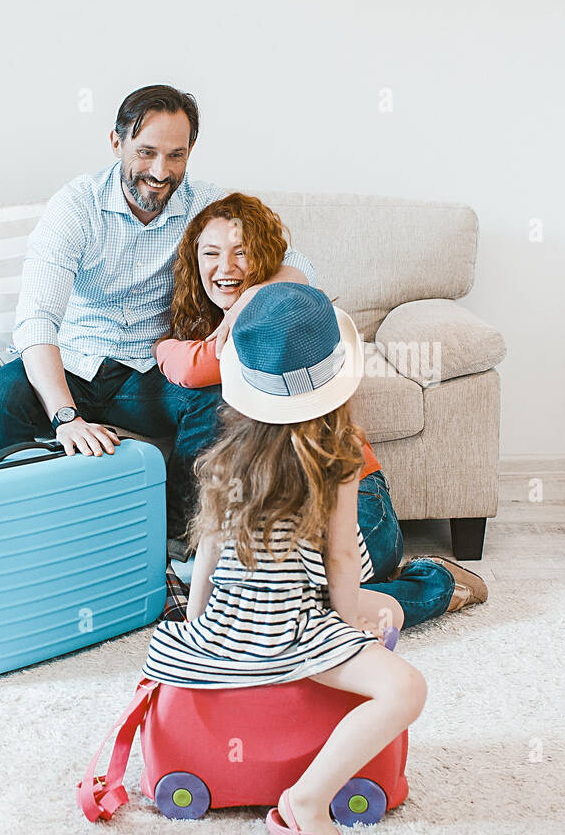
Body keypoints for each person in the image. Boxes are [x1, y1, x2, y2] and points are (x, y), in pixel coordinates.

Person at [142, 282, 427, 835]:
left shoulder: (225, 454)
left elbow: (207, 559)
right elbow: (344, 568)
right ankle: (306, 799)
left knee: (384, 616)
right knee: (406, 685)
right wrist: (366, 623)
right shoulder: (338, 455)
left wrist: (198, 631)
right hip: (292, 630)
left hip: (226, 628)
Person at [0, 85, 316, 540]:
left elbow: (302, 268)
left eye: (175, 155)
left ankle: (172, 537)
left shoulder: (207, 206)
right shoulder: (76, 207)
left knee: (221, 401)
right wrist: (66, 417)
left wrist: (249, 301)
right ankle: (22, 533)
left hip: (151, 372)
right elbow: (36, 321)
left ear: (191, 151)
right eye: (146, 151)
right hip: (75, 361)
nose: (159, 171)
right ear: (116, 142)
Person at [154, 192, 488, 625]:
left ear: (266, 260)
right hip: (282, 515)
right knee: (265, 601)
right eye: (211, 253)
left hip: (357, 508)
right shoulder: (203, 322)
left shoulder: (294, 322)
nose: (225, 267)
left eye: (242, 253)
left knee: (311, 606)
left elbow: (191, 366)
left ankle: (437, 585)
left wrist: (165, 346)